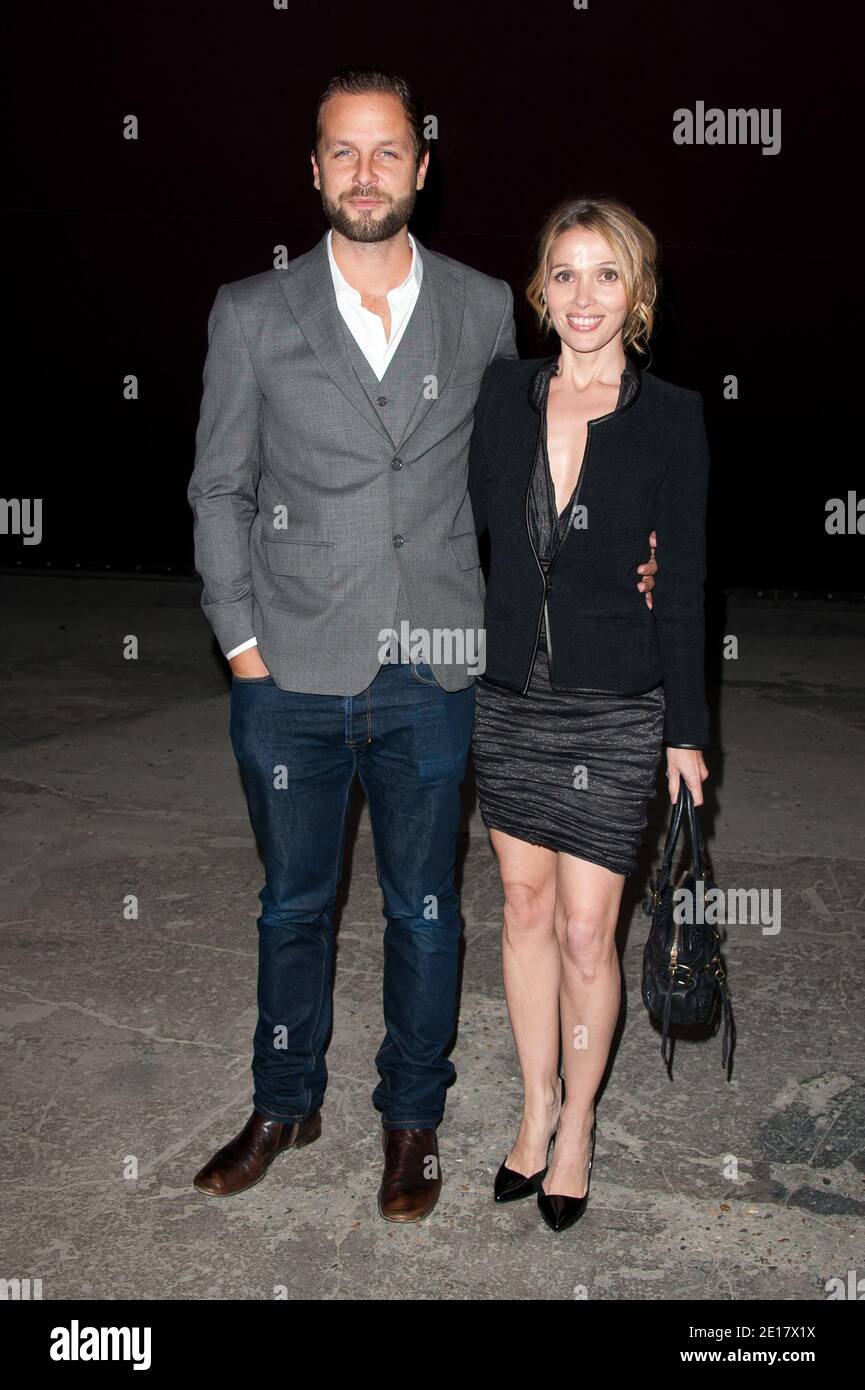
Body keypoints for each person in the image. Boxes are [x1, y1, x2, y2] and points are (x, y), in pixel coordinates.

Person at [187, 69, 658, 1222]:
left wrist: (625, 555)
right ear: (315, 170)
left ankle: (413, 1121)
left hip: (440, 673)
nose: (364, 173)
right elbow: (218, 489)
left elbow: (526, 471)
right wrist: (243, 651)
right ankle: (282, 1097)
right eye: (342, 153)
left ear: (420, 168)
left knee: (426, 911)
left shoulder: (482, 304)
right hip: (289, 671)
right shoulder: (252, 313)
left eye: (386, 152)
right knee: (292, 907)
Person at [468, 197, 710, 1232]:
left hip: (615, 708)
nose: (582, 294)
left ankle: (577, 1132)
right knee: (520, 913)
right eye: (563, 272)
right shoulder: (499, 394)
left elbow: (687, 581)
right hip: (511, 699)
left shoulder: (672, 415)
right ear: (539, 290)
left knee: (582, 930)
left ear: (636, 292)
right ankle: (533, 1110)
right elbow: (461, 532)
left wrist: (687, 732)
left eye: (604, 273)